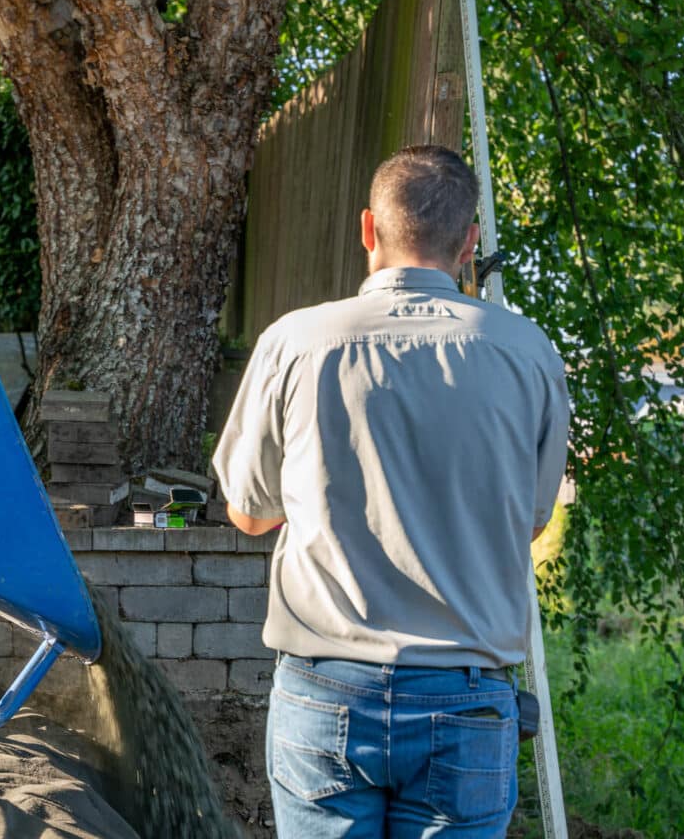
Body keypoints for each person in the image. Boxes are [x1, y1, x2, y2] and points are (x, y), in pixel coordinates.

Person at [213, 145, 569, 836]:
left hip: (325, 689)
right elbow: (527, 525)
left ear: (368, 229)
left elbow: (250, 515)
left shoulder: (295, 343)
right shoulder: (529, 353)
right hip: (466, 699)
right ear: (469, 244)